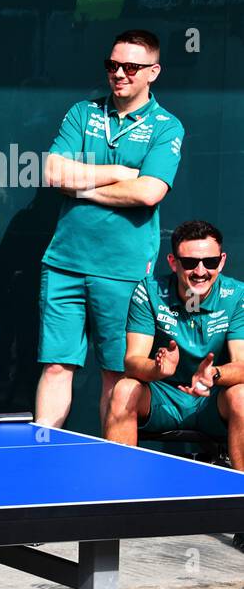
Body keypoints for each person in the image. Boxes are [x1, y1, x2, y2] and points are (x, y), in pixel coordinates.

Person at [36, 29, 185, 429]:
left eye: (131, 67)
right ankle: (38, 453)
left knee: (115, 376)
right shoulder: (82, 112)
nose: (119, 73)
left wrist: (80, 186)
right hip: (65, 262)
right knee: (55, 367)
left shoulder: (166, 127)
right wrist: (118, 174)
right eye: (112, 65)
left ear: (153, 71)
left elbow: (149, 192)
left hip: (124, 270)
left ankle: (108, 467)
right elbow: (52, 171)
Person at [106, 220, 244, 466]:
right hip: (164, 398)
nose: (200, 271)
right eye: (190, 263)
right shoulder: (149, 291)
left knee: (242, 395)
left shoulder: (236, 296)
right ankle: (120, 492)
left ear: (221, 261)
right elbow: (132, 362)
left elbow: (242, 365)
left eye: (210, 262)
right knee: (124, 389)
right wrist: (158, 369)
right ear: (173, 262)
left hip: (212, 399)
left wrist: (213, 374)